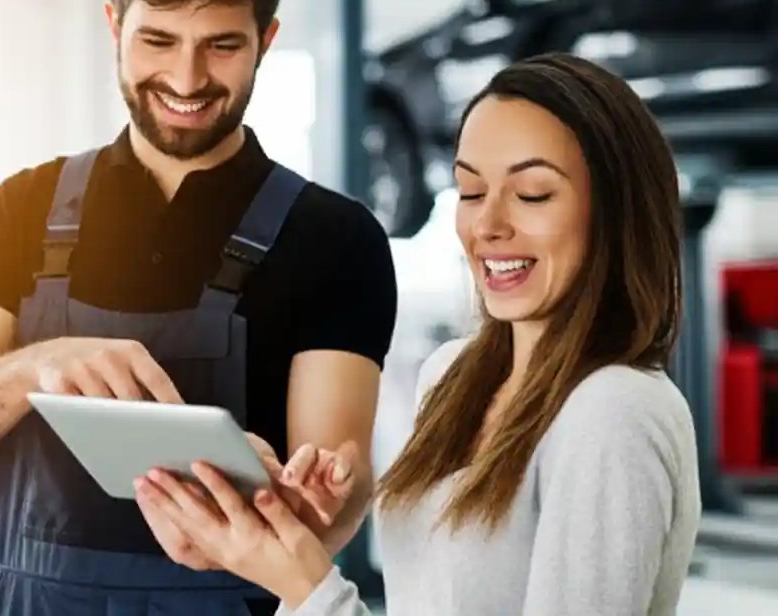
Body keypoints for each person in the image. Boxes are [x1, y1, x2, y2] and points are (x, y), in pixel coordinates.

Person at [0, 0, 397, 614]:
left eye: (221, 45)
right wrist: (37, 365)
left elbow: (337, 478)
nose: (187, 79)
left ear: (266, 40)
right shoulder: (23, 209)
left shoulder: (334, 239)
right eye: (158, 40)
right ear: (115, 25)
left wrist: (316, 510)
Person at [135, 52, 702, 615]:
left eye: (532, 194)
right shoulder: (453, 376)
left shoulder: (615, 411)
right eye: (471, 192)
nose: (488, 225)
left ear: (616, 211)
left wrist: (310, 590)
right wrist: (298, 531)